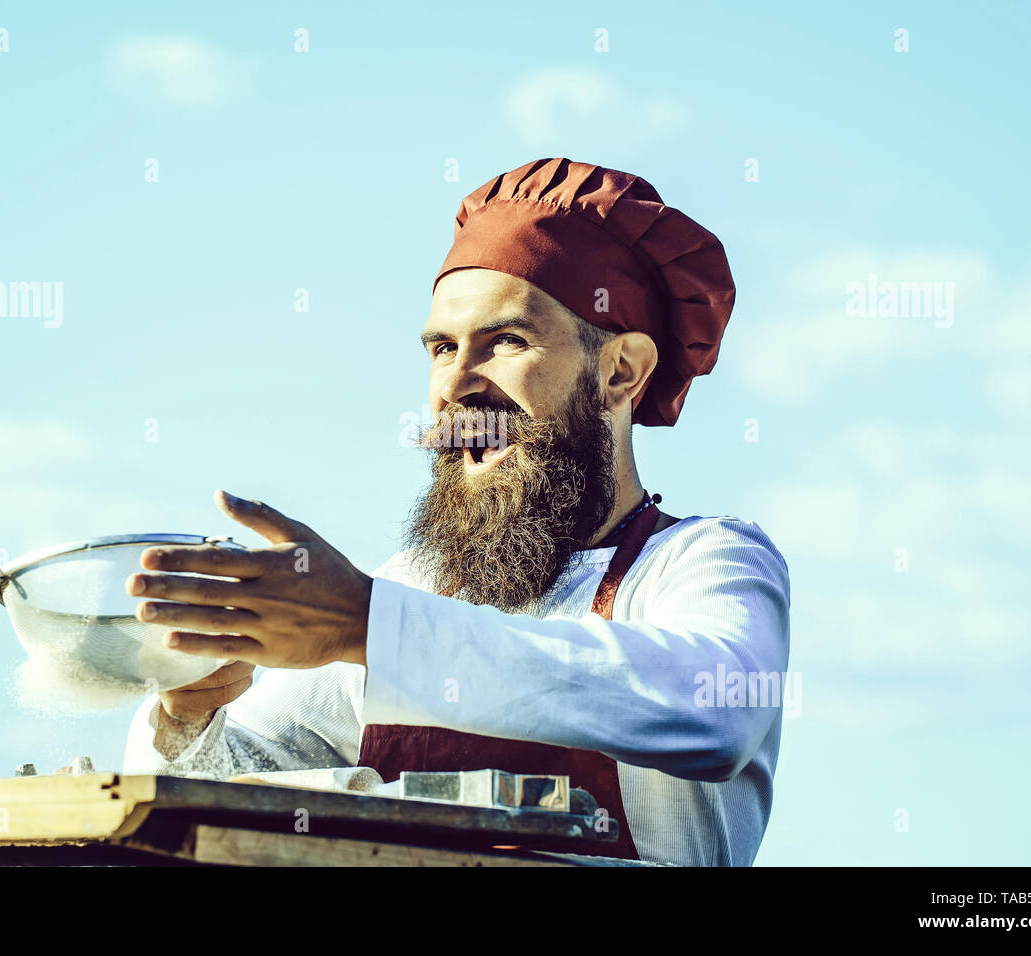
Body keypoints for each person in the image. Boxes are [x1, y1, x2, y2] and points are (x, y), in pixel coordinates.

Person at [121, 157, 791, 866]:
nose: (457, 387)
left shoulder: (700, 562)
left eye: (506, 341)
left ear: (620, 370)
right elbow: (223, 795)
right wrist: (187, 714)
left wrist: (367, 624)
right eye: (442, 348)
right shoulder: (407, 587)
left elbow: (712, 713)